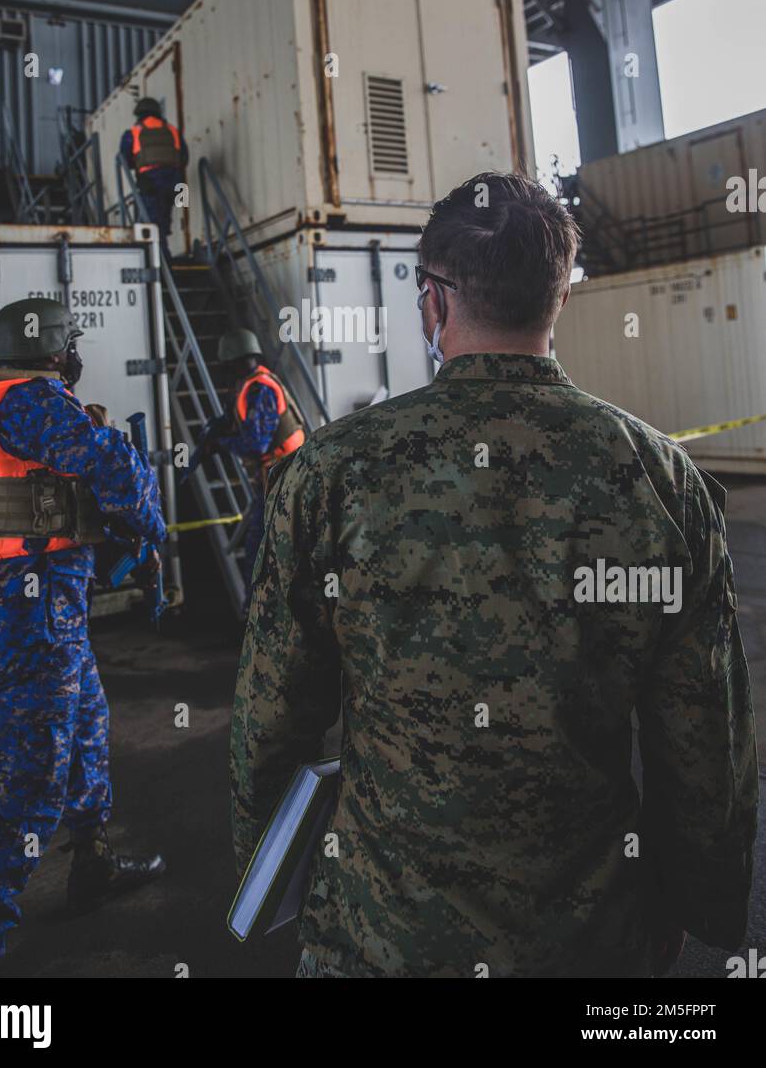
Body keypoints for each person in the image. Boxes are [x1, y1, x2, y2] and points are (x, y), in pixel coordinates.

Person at [230, 172, 758, 979]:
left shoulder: (333, 473)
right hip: (590, 942)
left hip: (379, 940)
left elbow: (270, 724)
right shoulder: (662, 478)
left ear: (434, 305)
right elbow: (704, 742)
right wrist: (690, 904)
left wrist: (276, 884)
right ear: (558, 301)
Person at [0, 298, 167, 972]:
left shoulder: (5, 399)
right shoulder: (30, 398)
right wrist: (150, 528)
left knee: (87, 733)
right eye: (71, 345)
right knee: (29, 772)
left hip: (46, 605)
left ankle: (91, 865)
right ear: (55, 350)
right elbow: (109, 463)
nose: (74, 355)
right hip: (31, 607)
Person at [204, 329, 305, 611]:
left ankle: (259, 615)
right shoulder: (255, 383)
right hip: (282, 476)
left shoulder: (259, 388)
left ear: (234, 360)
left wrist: (220, 444)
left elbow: (256, 443)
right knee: (272, 547)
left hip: (283, 479)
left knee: (260, 548)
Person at [119, 97, 188, 260]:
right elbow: (185, 157)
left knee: (151, 226)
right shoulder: (172, 130)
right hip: (177, 184)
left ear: (139, 115)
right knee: (163, 222)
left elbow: (124, 159)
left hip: (150, 183)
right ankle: (165, 246)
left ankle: (165, 268)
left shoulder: (133, 132)